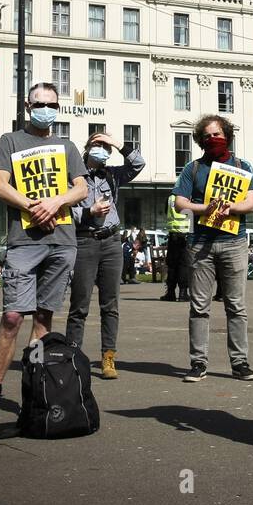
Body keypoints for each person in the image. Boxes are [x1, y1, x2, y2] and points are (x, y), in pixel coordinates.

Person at [0, 83, 88, 429]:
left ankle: (33, 394)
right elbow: (1, 184)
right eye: (40, 104)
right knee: (11, 318)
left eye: (52, 104)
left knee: (43, 321)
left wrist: (56, 202)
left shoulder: (67, 146)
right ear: (28, 105)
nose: (46, 109)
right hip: (24, 242)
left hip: (62, 241)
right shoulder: (11, 141)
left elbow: (80, 187)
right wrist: (33, 206)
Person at [173, 114, 253, 383]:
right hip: (200, 244)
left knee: (236, 306)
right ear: (200, 140)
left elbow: (252, 202)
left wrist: (230, 208)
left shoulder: (242, 166)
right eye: (207, 136)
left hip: (234, 243)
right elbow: (180, 203)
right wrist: (206, 209)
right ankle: (198, 363)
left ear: (228, 136)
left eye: (217, 134)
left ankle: (240, 363)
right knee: (199, 306)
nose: (213, 139)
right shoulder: (193, 169)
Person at [66, 132, 146, 379]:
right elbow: (66, 212)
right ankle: (72, 358)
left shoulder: (111, 174)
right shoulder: (72, 177)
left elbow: (138, 164)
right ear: (87, 148)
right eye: (97, 146)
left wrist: (118, 144)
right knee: (79, 305)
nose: (102, 150)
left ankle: (108, 357)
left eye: (105, 147)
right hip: (85, 240)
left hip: (111, 241)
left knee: (110, 305)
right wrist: (89, 211)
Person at [162, 192, 192, 302]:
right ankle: (183, 293)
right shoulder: (189, 196)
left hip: (173, 235)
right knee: (184, 265)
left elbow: (166, 212)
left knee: (172, 265)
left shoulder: (170, 198)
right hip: (186, 236)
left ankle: (170, 292)